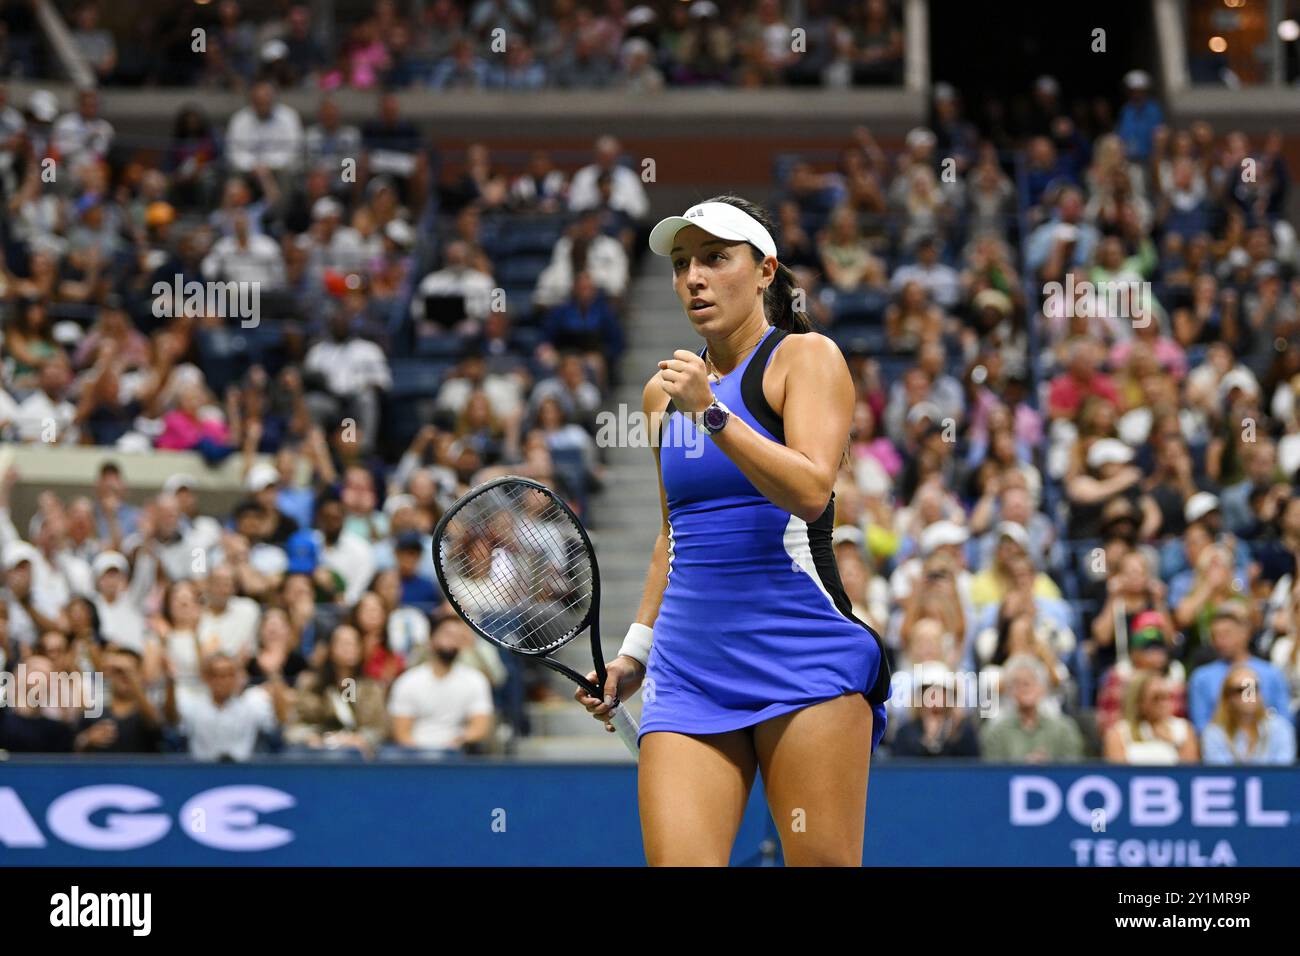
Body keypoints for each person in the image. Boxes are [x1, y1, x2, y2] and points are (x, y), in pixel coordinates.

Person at [578, 195, 890, 866]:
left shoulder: (808, 358)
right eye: (683, 262)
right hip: (688, 670)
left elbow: (810, 491)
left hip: (803, 658)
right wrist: (634, 651)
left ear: (765, 270)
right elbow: (672, 535)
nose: (693, 276)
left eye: (716, 259)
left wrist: (715, 412)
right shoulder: (664, 394)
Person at [388, 616, 494, 751]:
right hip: (415, 757)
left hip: (457, 756)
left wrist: (460, 741)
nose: (452, 641)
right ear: (431, 639)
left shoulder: (476, 680)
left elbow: (480, 726)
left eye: (458, 637)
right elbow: (402, 733)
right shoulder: (408, 681)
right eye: (447, 634)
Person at [1187, 601, 1291, 732]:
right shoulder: (1201, 677)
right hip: (1219, 746)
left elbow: (1285, 720)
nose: (1220, 641)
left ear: (1245, 633)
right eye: (1215, 636)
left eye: (1226, 634)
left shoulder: (1271, 673)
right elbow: (1201, 726)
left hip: (1267, 744)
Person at [164, 652, 290, 761]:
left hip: (242, 776)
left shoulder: (251, 706)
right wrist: (170, 682)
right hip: (202, 774)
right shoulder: (193, 706)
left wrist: (274, 677)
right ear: (206, 678)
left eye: (229, 675)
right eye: (217, 675)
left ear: (236, 677)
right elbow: (172, 722)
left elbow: (279, 724)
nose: (223, 681)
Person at [979, 654, 1084, 762]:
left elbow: (1072, 770)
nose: (1024, 688)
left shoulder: (1064, 730)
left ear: (1043, 688)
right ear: (1009, 691)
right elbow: (992, 774)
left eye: (1029, 682)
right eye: (1017, 683)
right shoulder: (995, 732)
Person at [1201, 664, 1296, 765]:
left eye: (1253, 688)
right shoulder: (1214, 733)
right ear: (1228, 698)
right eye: (1241, 690)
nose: (1249, 695)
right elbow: (1220, 774)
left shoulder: (1280, 728)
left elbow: (1283, 774)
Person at [1103, 670, 1199, 764]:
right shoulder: (1119, 733)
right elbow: (1119, 773)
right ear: (1139, 702)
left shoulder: (1184, 729)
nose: (1164, 703)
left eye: (1167, 696)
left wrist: (1174, 743)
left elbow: (1189, 772)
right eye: (1156, 698)